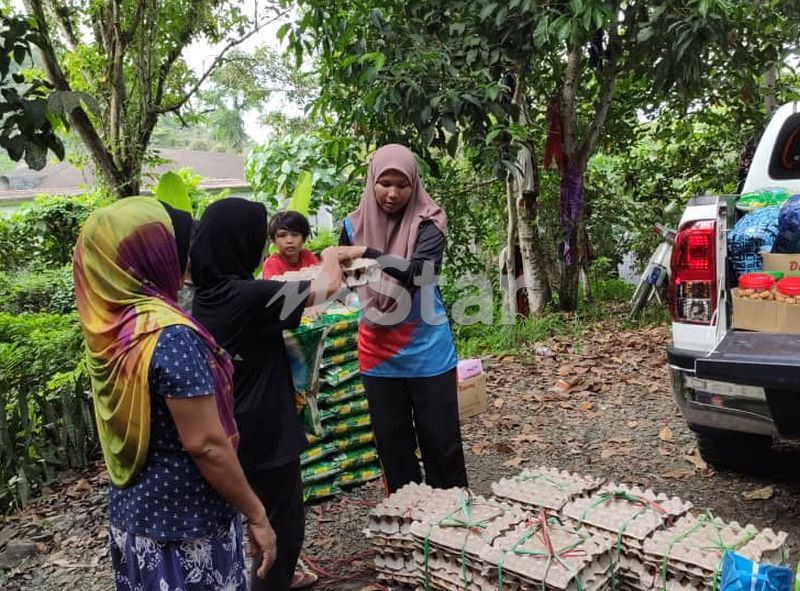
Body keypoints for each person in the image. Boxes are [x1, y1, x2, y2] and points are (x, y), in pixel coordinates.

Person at [72, 197, 276, 590]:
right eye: (178, 244)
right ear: (153, 254)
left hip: (134, 516)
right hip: (187, 527)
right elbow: (207, 446)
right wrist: (257, 515)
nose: (188, 255)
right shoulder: (171, 336)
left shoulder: (110, 327)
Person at [190, 198, 353, 590]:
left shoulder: (204, 297)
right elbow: (327, 287)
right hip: (263, 430)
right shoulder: (247, 297)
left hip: (229, 423)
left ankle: (266, 577)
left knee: (253, 516)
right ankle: (271, 583)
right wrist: (331, 254)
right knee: (283, 522)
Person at [339, 144, 468, 494]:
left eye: (402, 184)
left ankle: (451, 524)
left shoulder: (429, 220)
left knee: (441, 442)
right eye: (384, 183)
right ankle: (406, 526)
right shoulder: (353, 225)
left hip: (426, 347)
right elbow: (348, 281)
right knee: (393, 446)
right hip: (377, 351)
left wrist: (370, 254)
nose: (392, 193)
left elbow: (421, 274)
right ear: (371, 182)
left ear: (414, 184)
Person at [262, 210, 320, 279]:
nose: (289, 241)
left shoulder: (307, 255)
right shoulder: (271, 264)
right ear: (274, 240)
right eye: (282, 235)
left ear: (304, 239)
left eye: (295, 235)